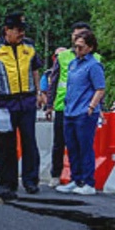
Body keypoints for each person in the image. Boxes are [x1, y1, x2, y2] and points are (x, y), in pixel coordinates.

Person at [0, 12, 43, 194]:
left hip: (27, 101)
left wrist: (39, 92)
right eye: (18, 30)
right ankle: (7, 182)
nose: (21, 33)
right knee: (5, 143)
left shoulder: (29, 46)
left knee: (29, 141)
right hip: (5, 103)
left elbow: (35, 70)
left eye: (23, 29)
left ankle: (31, 180)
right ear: (7, 30)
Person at [42, 22, 95, 187]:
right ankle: (57, 175)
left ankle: (83, 180)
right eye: (75, 35)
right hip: (63, 106)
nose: (77, 38)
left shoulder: (95, 60)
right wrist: (49, 104)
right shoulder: (64, 57)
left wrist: (95, 107)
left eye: (81, 35)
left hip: (83, 108)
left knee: (83, 144)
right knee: (61, 143)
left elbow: (99, 86)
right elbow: (54, 80)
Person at [56, 29, 105, 196]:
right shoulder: (73, 64)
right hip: (70, 110)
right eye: (76, 47)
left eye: (81, 47)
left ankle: (88, 182)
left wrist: (91, 107)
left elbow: (100, 88)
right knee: (72, 147)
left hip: (84, 112)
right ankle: (75, 179)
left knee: (85, 147)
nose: (77, 50)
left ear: (90, 47)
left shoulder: (94, 65)